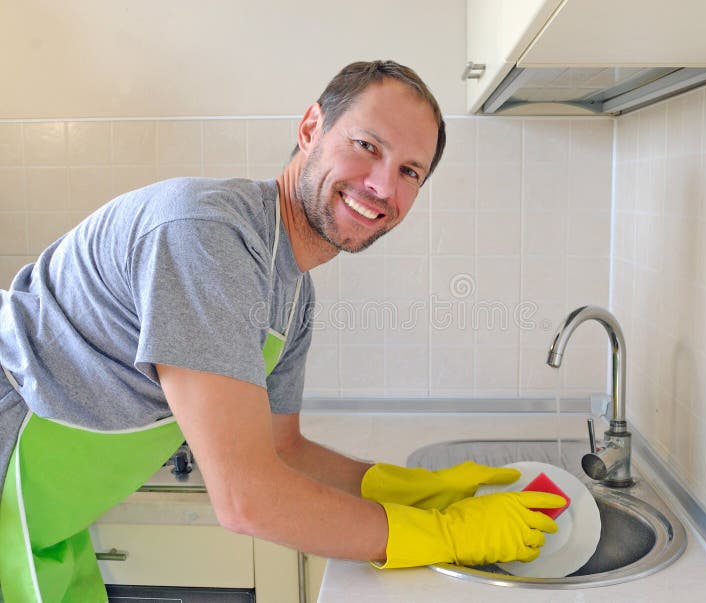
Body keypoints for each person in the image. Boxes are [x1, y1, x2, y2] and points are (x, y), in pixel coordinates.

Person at [0, 60, 565, 601]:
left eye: (409, 171)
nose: (381, 185)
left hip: (47, 515)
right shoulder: (208, 237)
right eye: (368, 146)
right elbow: (246, 498)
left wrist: (402, 486)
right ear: (310, 127)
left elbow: (281, 448)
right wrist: (446, 535)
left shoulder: (291, 291)